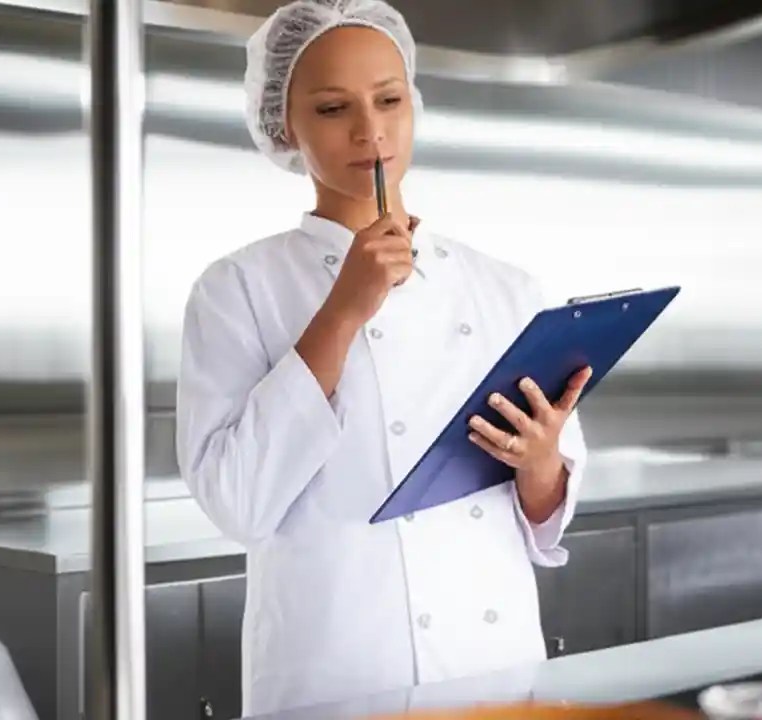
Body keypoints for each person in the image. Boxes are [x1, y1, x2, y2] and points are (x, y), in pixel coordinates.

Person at [173, 1, 591, 715]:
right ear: (284, 125)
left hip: (492, 669)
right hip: (333, 681)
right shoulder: (236, 289)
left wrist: (541, 464)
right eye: (333, 108)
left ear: (414, 106)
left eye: (389, 100)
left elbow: (548, 510)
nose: (370, 131)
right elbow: (237, 502)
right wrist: (343, 310)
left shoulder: (507, 289)